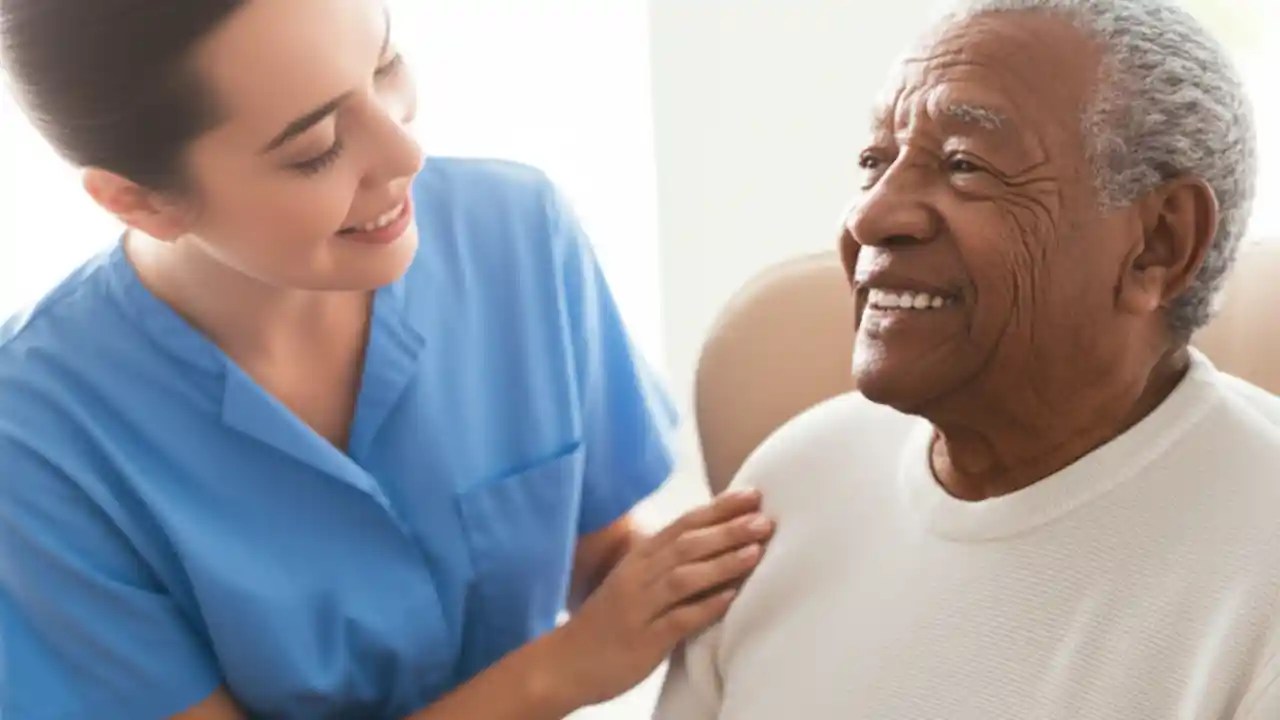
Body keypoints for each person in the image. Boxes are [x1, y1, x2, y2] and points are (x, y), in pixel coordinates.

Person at [0, 1, 776, 718]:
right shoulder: (33, 437)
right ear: (141, 202)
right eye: (316, 148)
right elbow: (596, 640)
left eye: (384, 65)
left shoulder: (517, 232)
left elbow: (602, 560)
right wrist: (567, 668)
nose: (406, 152)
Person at [656, 0, 1280, 718]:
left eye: (964, 165)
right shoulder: (788, 487)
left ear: (1160, 243)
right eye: (874, 162)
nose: (870, 216)